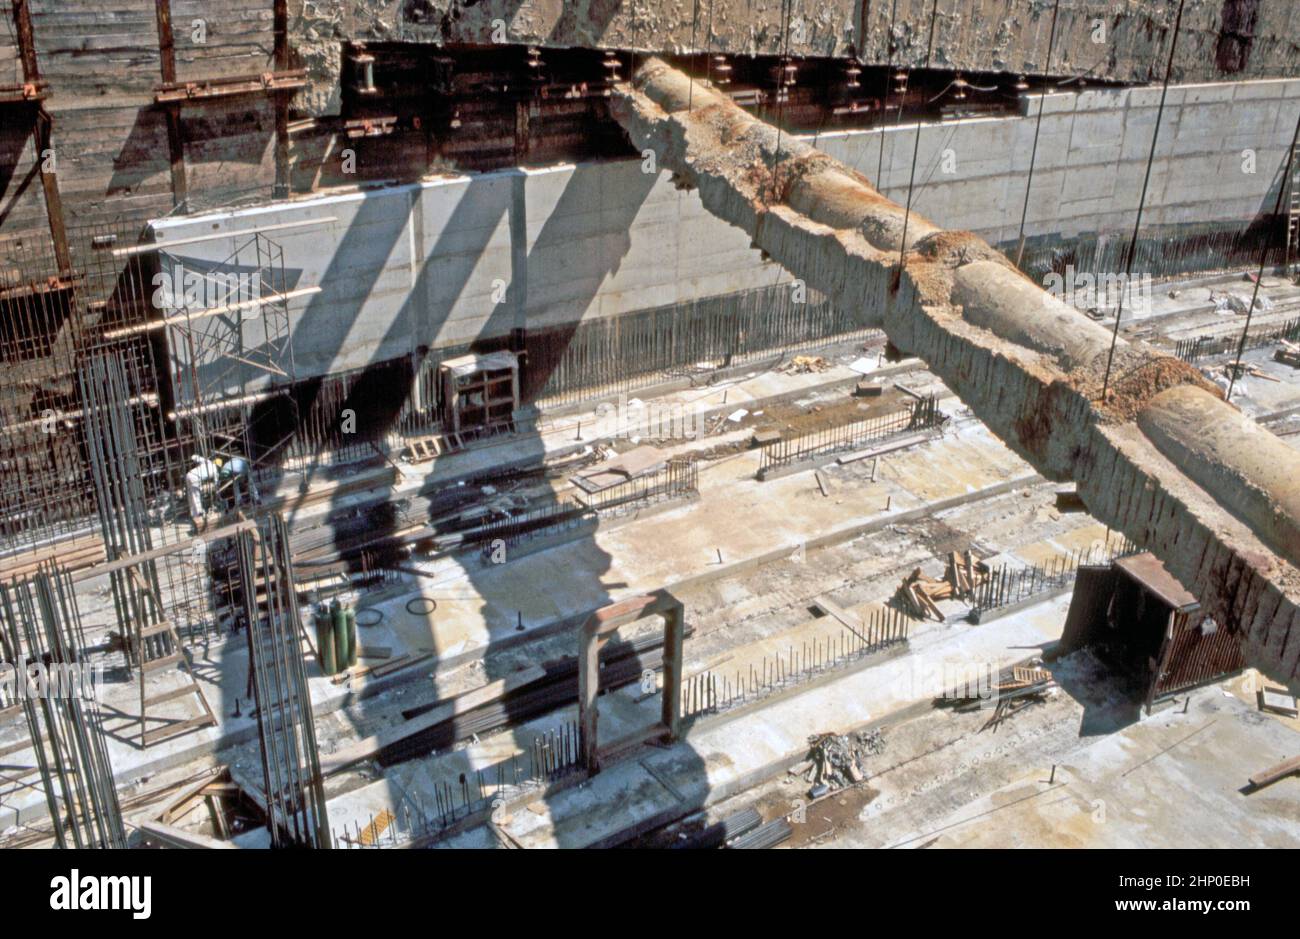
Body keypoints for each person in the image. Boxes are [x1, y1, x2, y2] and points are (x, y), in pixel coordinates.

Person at [186, 454, 218, 532]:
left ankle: (193, 513)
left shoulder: (209, 462)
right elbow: (216, 484)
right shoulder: (216, 470)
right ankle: (198, 514)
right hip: (195, 478)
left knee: (190, 495)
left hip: (189, 474)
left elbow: (196, 457)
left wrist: (193, 457)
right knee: (196, 496)